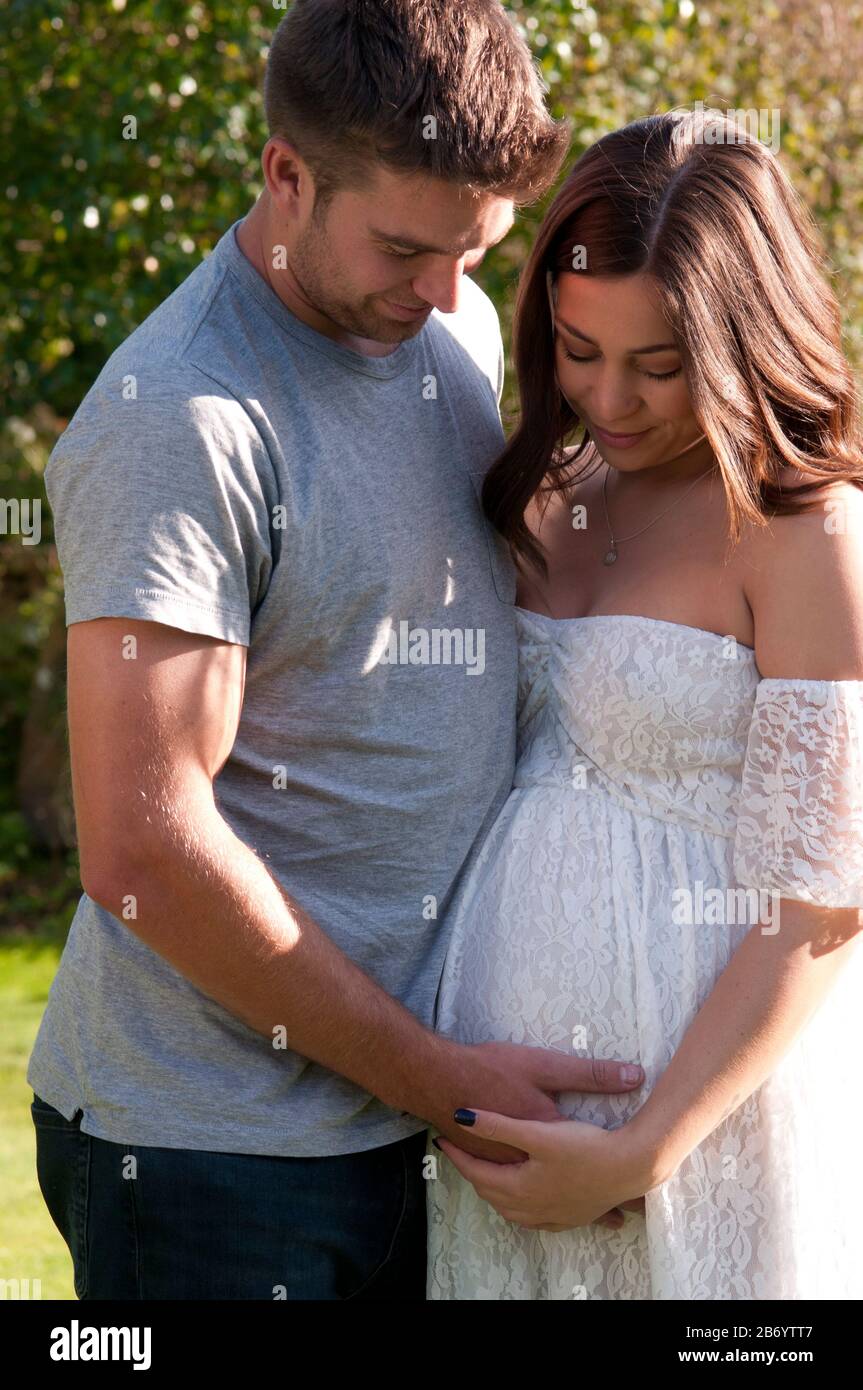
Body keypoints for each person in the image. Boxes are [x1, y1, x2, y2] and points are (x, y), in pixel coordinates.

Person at [27, 0, 648, 1302]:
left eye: (469, 252)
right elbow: (144, 849)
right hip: (210, 1151)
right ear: (286, 175)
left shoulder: (451, 329)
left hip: (403, 1122)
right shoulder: (182, 421)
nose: (436, 293)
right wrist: (439, 1079)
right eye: (404, 248)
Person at [427, 107, 863, 1300]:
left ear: (740, 338)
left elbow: (817, 903)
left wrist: (646, 1147)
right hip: (496, 1126)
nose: (608, 399)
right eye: (576, 349)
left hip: (703, 1122)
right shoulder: (544, 489)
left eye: (658, 365)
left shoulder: (801, 533)